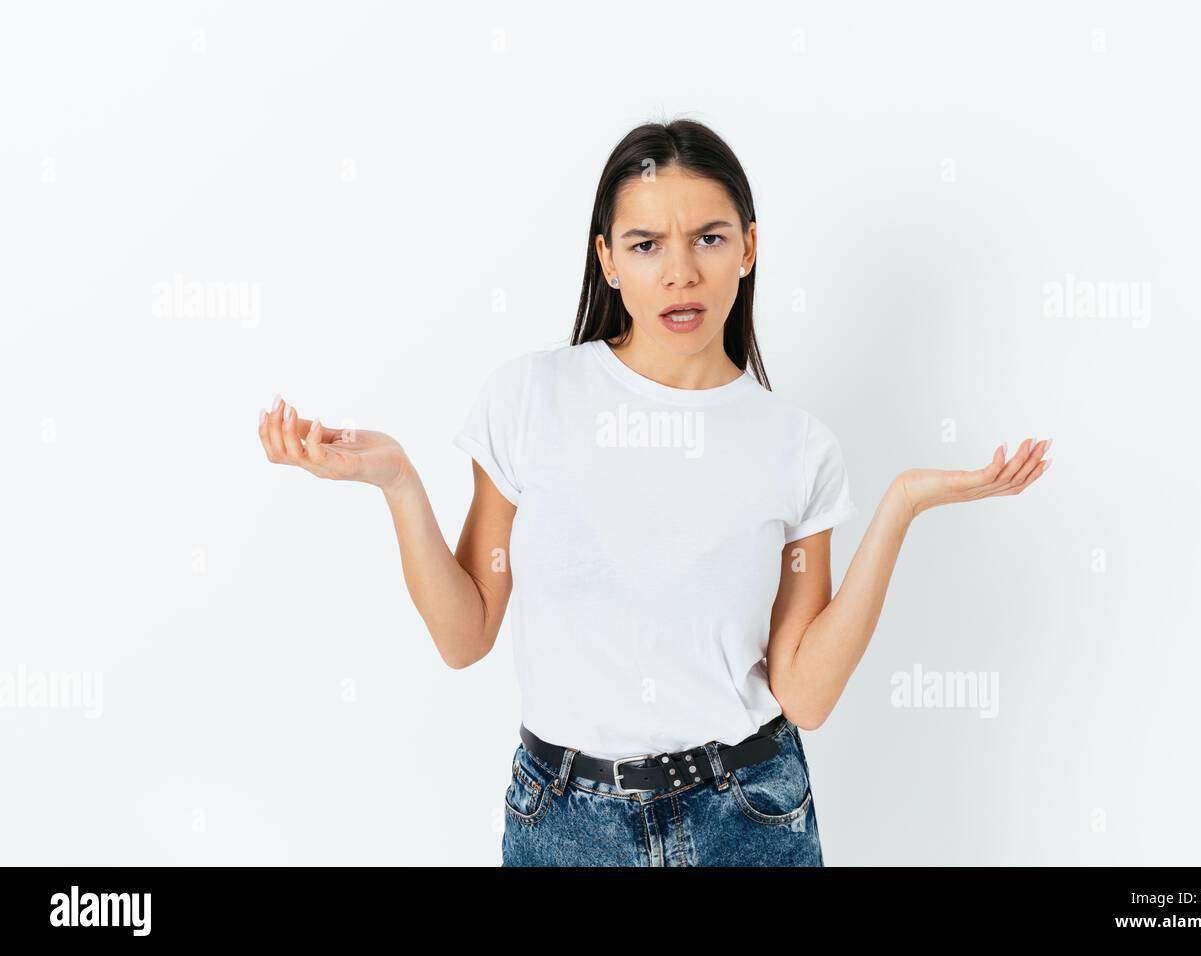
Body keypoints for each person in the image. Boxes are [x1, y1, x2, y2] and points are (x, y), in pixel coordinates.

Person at [256, 118, 1052, 866]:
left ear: (748, 248)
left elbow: (803, 696)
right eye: (646, 245)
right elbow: (465, 635)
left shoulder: (799, 449)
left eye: (709, 238)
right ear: (606, 259)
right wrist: (398, 483)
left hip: (748, 815)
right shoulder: (530, 399)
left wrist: (901, 506)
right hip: (563, 822)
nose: (681, 271)